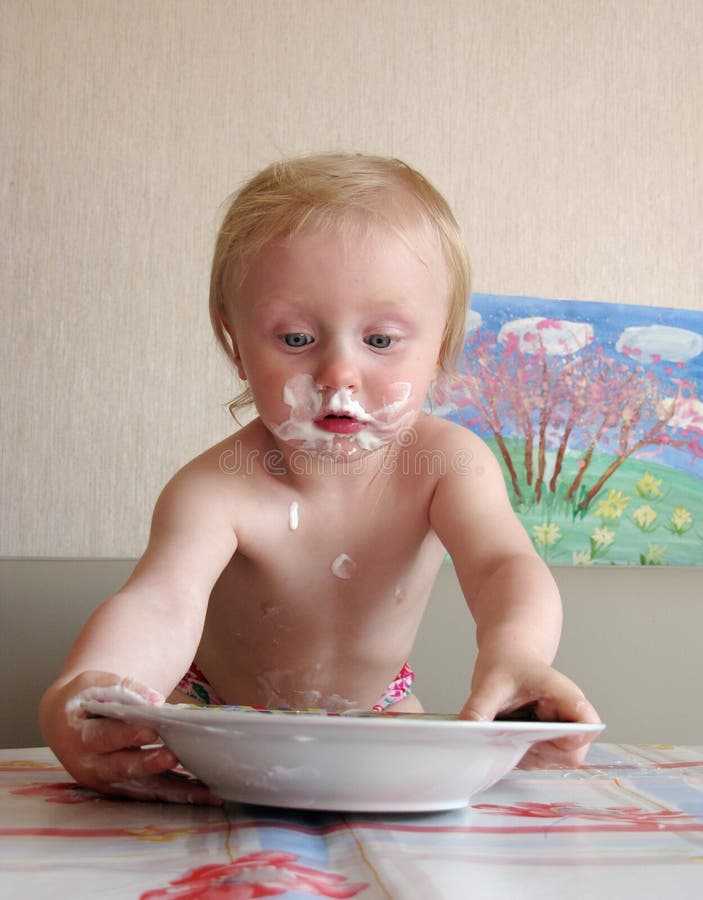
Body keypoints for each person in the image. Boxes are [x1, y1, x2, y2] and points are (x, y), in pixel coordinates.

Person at [39, 152, 600, 804]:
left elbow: (502, 563)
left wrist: (519, 657)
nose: (338, 372)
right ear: (235, 343)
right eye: (297, 339)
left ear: (441, 346)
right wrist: (87, 688)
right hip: (213, 718)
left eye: (382, 341)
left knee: (419, 832)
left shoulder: (448, 465)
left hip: (378, 711)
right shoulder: (217, 487)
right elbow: (161, 602)